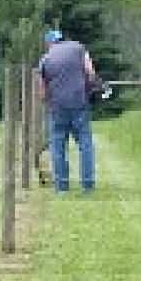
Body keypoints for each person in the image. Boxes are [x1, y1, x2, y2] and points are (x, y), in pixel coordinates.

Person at [38, 28, 97, 193]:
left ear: (48, 43)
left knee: (57, 146)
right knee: (85, 144)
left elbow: (42, 91)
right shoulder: (78, 48)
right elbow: (90, 72)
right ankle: (88, 184)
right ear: (62, 39)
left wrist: (47, 103)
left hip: (57, 107)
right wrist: (89, 90)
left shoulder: (45, 59)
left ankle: (62, 186)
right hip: (79, 103)